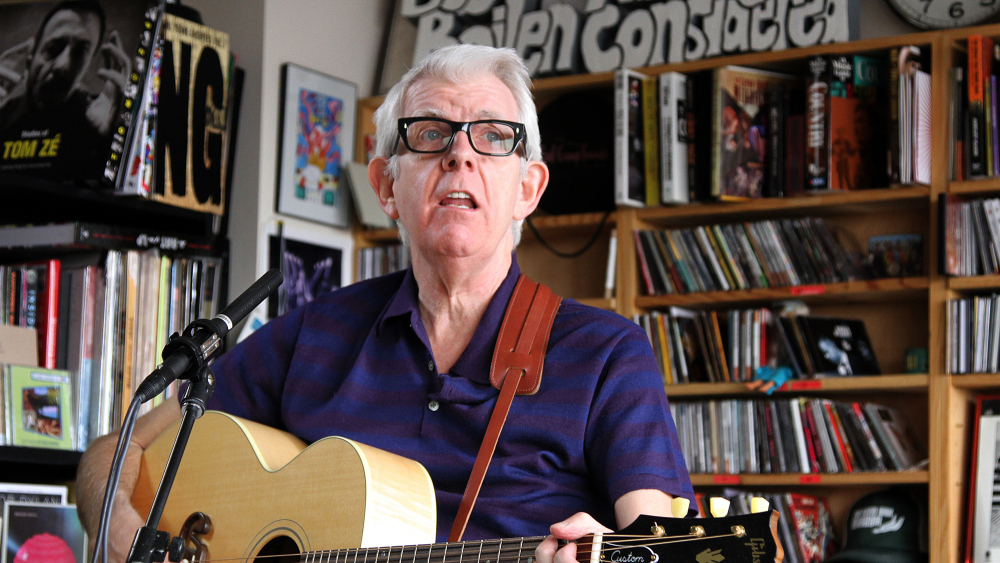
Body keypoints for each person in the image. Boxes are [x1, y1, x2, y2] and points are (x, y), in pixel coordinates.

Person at [76, 44, 694, 563]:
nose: (460, 154)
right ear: (386, 187)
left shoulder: (608, 356)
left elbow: (661, 546)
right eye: (430, 135)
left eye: (493, 136)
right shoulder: (313, 335)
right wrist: (128, 541)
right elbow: (118, 447)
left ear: (527, 190)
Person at [0, 0, 130, 180]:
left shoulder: (96, 123)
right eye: (53, 48)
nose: (63, 65)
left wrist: (110, 142)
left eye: (79, 53)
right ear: (29, 61)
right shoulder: (4, 114)